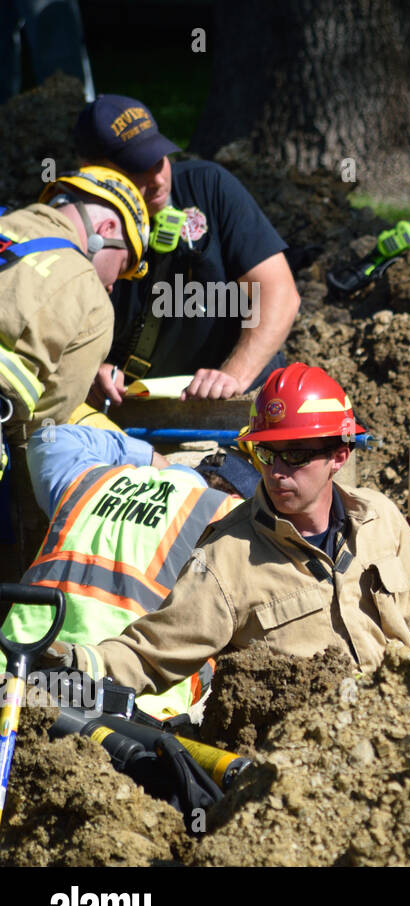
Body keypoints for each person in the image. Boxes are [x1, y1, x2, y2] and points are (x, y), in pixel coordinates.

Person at [47, 364, 410, 694]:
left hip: (398, 728)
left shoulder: (378, 518)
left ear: (339, 456)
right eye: (266, 453)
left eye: (294, 456)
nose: (275, 471)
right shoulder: (226, 559)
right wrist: (65, 668)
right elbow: (150, 654)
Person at [1, 424, 260, 720]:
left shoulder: (92, 480)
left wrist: (152, 458)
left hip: (14, 672)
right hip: (132, 707)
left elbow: (50, 437)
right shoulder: (232, 520)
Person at [74, 94, 300, 404]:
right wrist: (87, 371)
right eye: (136, 168)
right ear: (91, 170)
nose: (156, 179)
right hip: (135, 407)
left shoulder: (209, 186)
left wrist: (233, 376)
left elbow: (279, 293)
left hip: (240, 390)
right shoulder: (74, 225)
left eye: (159, 160)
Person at [1, 165, 149, 446]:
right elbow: (39, 439)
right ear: (106, 230)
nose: (112, 286)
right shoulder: (93, 301)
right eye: (123, 266)